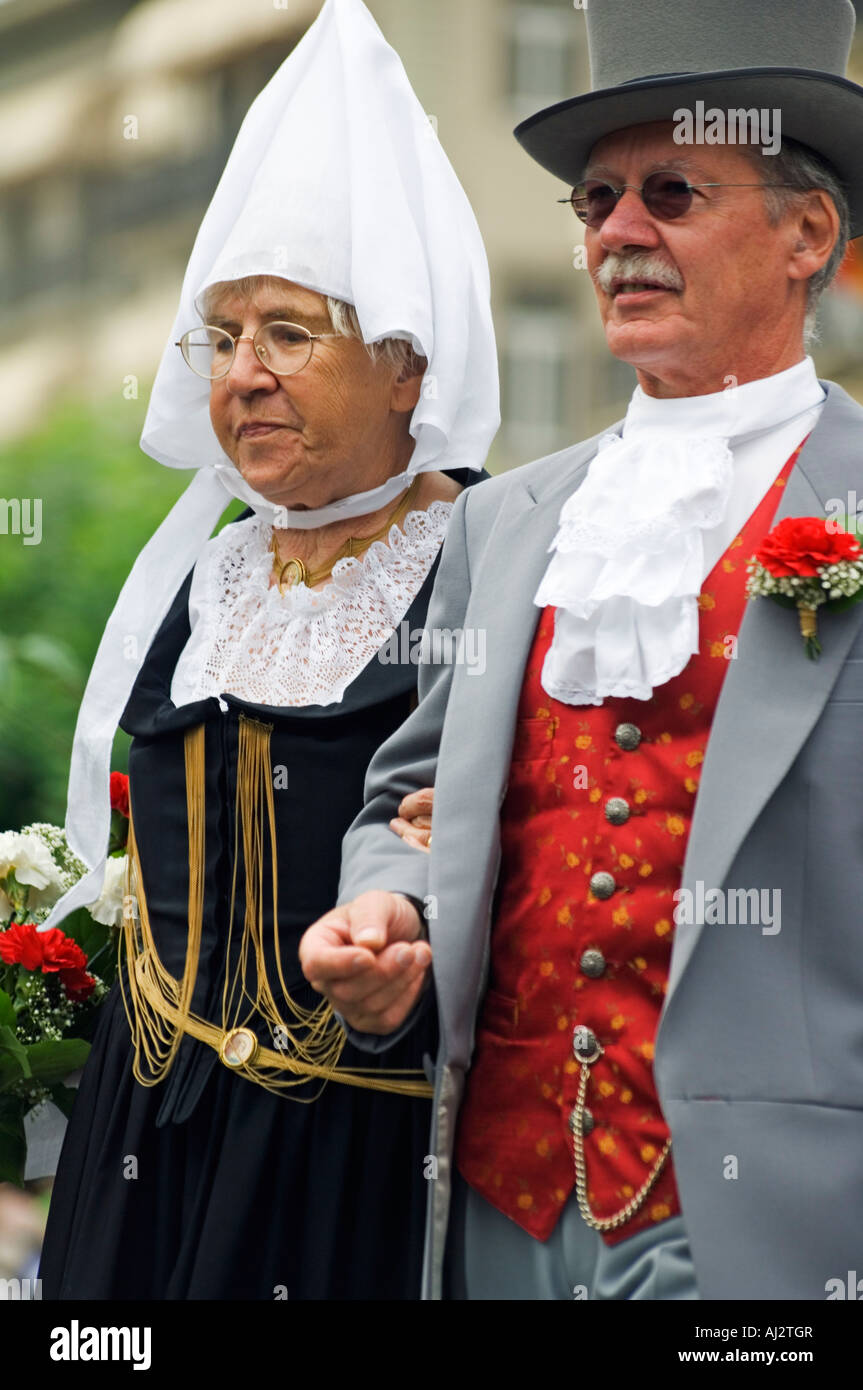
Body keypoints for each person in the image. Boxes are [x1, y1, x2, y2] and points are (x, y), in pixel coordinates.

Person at [300, 0, 863, 1300]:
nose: (615, 232)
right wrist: (392, 907)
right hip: (497, 1202)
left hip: (783, 1221)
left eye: (670, 192)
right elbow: (406, 795)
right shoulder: (504, 518)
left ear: (806, 236)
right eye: (598, 199)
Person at [37, 0, 498, 1300]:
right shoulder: (198, 570)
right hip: (140, 1153)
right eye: (224, 338)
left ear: (407, 364)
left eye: (289, 332)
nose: (243, 373)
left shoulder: (493, 566)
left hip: (360, 1158)